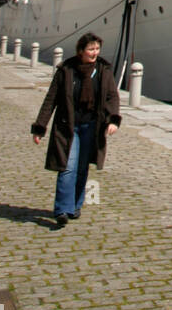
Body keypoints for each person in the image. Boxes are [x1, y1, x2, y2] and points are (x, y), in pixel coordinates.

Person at [31, 32, 121, 229]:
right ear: (81, 51)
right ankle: (62, 210)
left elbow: (112, 96)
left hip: (91, 126)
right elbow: (51, 99)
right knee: (67, 167)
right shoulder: (66, 70)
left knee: (81, 168)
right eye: (90, 49)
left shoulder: (103, 70)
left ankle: (75, 205)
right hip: (68, 126)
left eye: (97, 49)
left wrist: (113, 119)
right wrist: (40, 127)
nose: (94, 53)